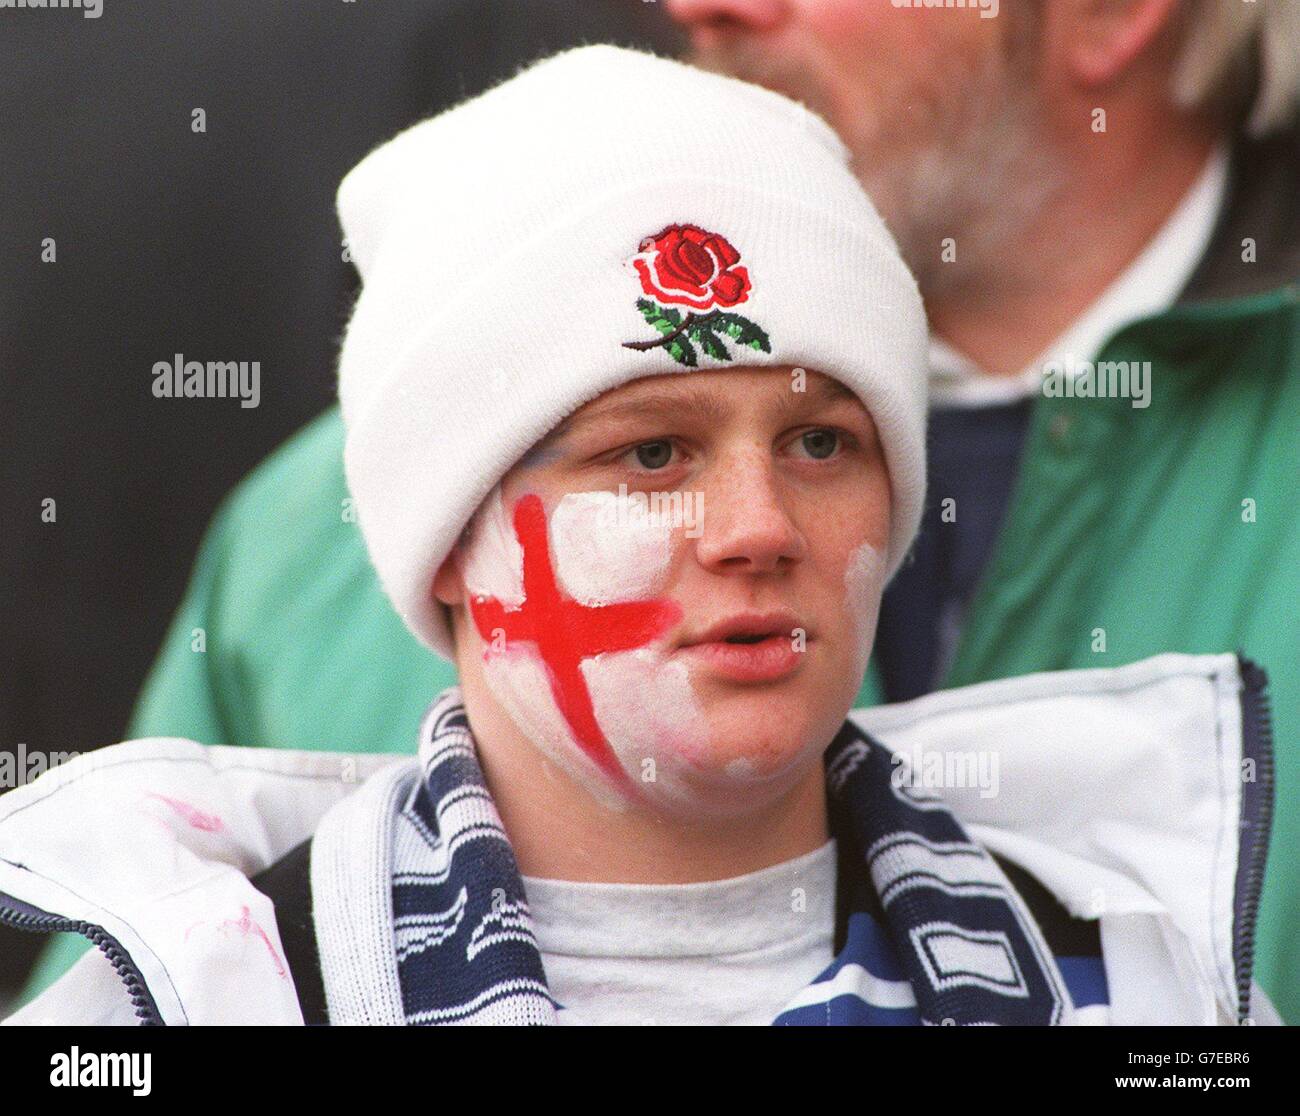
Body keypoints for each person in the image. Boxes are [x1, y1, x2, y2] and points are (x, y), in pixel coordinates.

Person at [0, 46, 1278, 1027]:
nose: (759, 528)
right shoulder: (206, 996)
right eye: (651, 452)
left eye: (822, 442)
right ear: (450, 536)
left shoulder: (1145, 974)